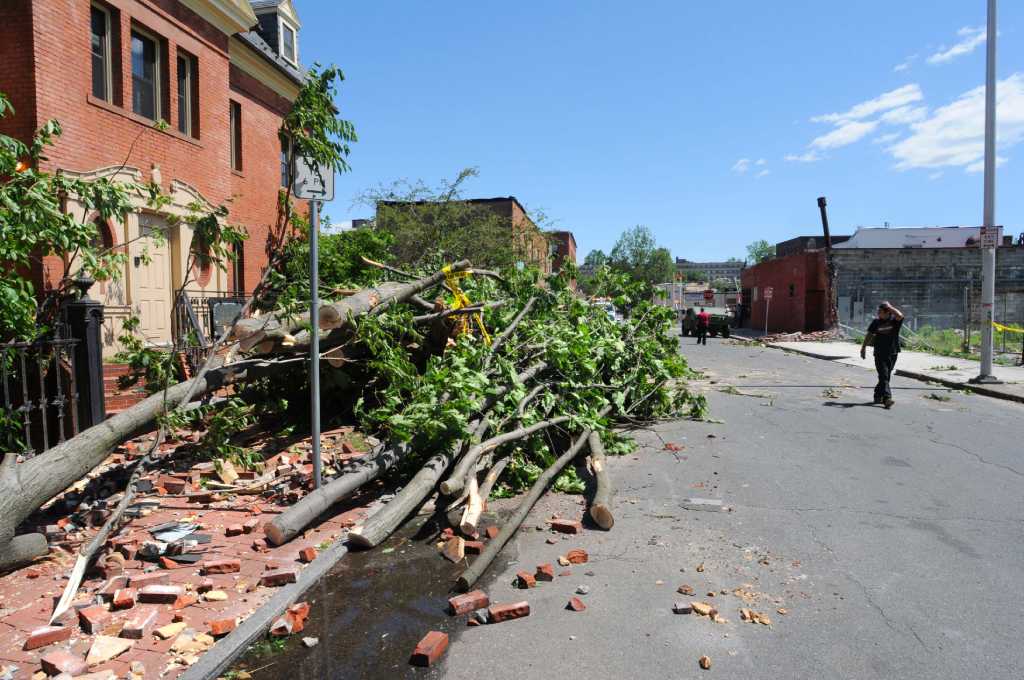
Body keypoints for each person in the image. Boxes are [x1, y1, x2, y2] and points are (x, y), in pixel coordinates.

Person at [860, 301, 905, 408]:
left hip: (893, 352)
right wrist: (863, 348)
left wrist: (890, 307)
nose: (878, 313)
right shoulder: (876, 322)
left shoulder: (894, 322)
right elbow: (869, 335)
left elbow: (900, 315)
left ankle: (877, 395)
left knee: (886, 376)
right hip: (879, 353)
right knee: (884, 376)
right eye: (878, 311)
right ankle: (887, 399)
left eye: (880, 312)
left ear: (887, 312)